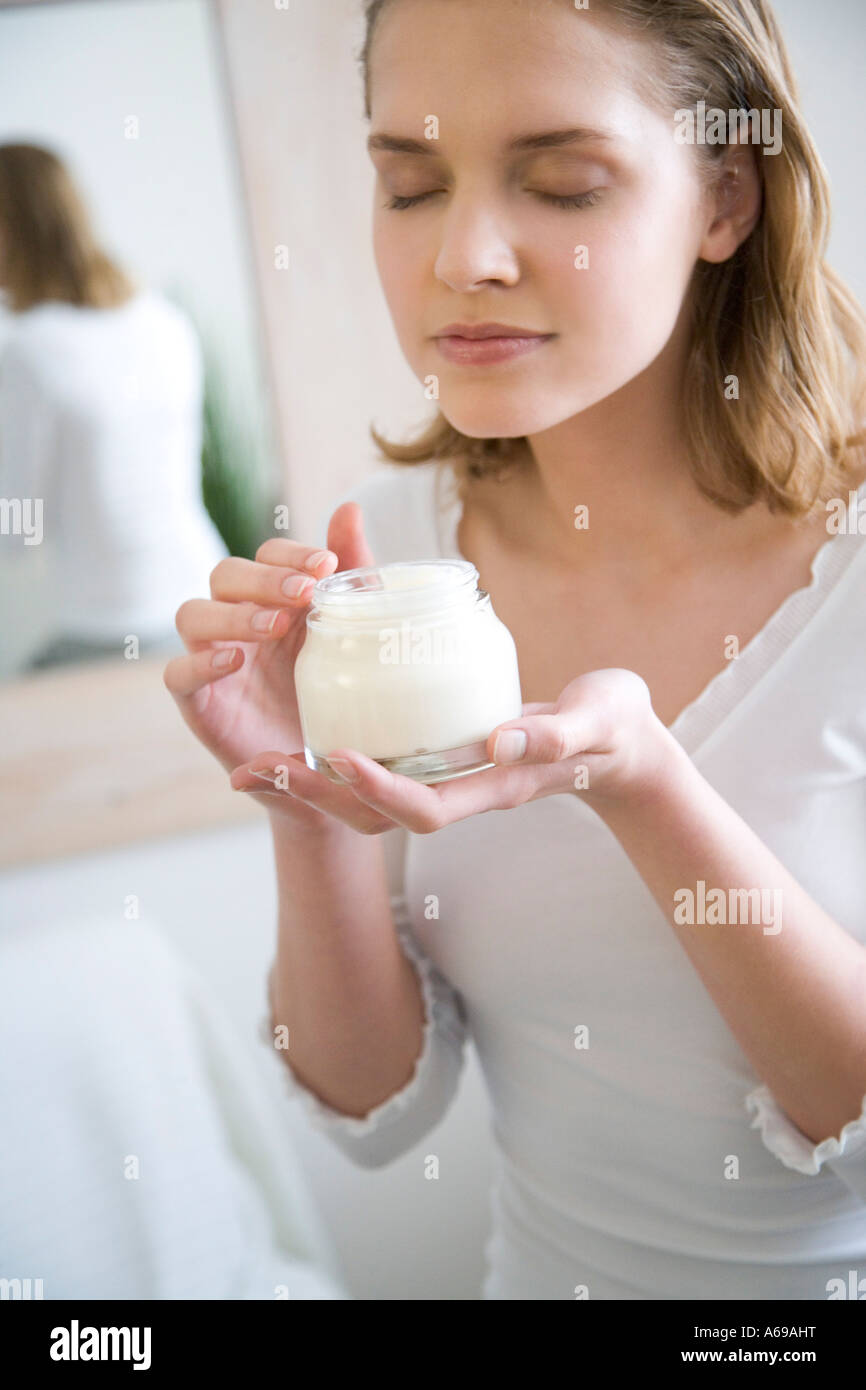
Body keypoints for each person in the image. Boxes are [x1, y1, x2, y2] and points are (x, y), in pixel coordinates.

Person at [164, 0, 866, 1300]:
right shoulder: (392, 562)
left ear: (724, 197)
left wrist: (647, 788)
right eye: (408, 184)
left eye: (560, 182)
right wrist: (300, 796)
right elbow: (365, 1106)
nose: (464, 256)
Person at [0, 143, 227, 670]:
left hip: (110, 628)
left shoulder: (29, 350)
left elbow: (17, 533)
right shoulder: (163, 319)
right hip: (207, 599)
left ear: (11, 230)